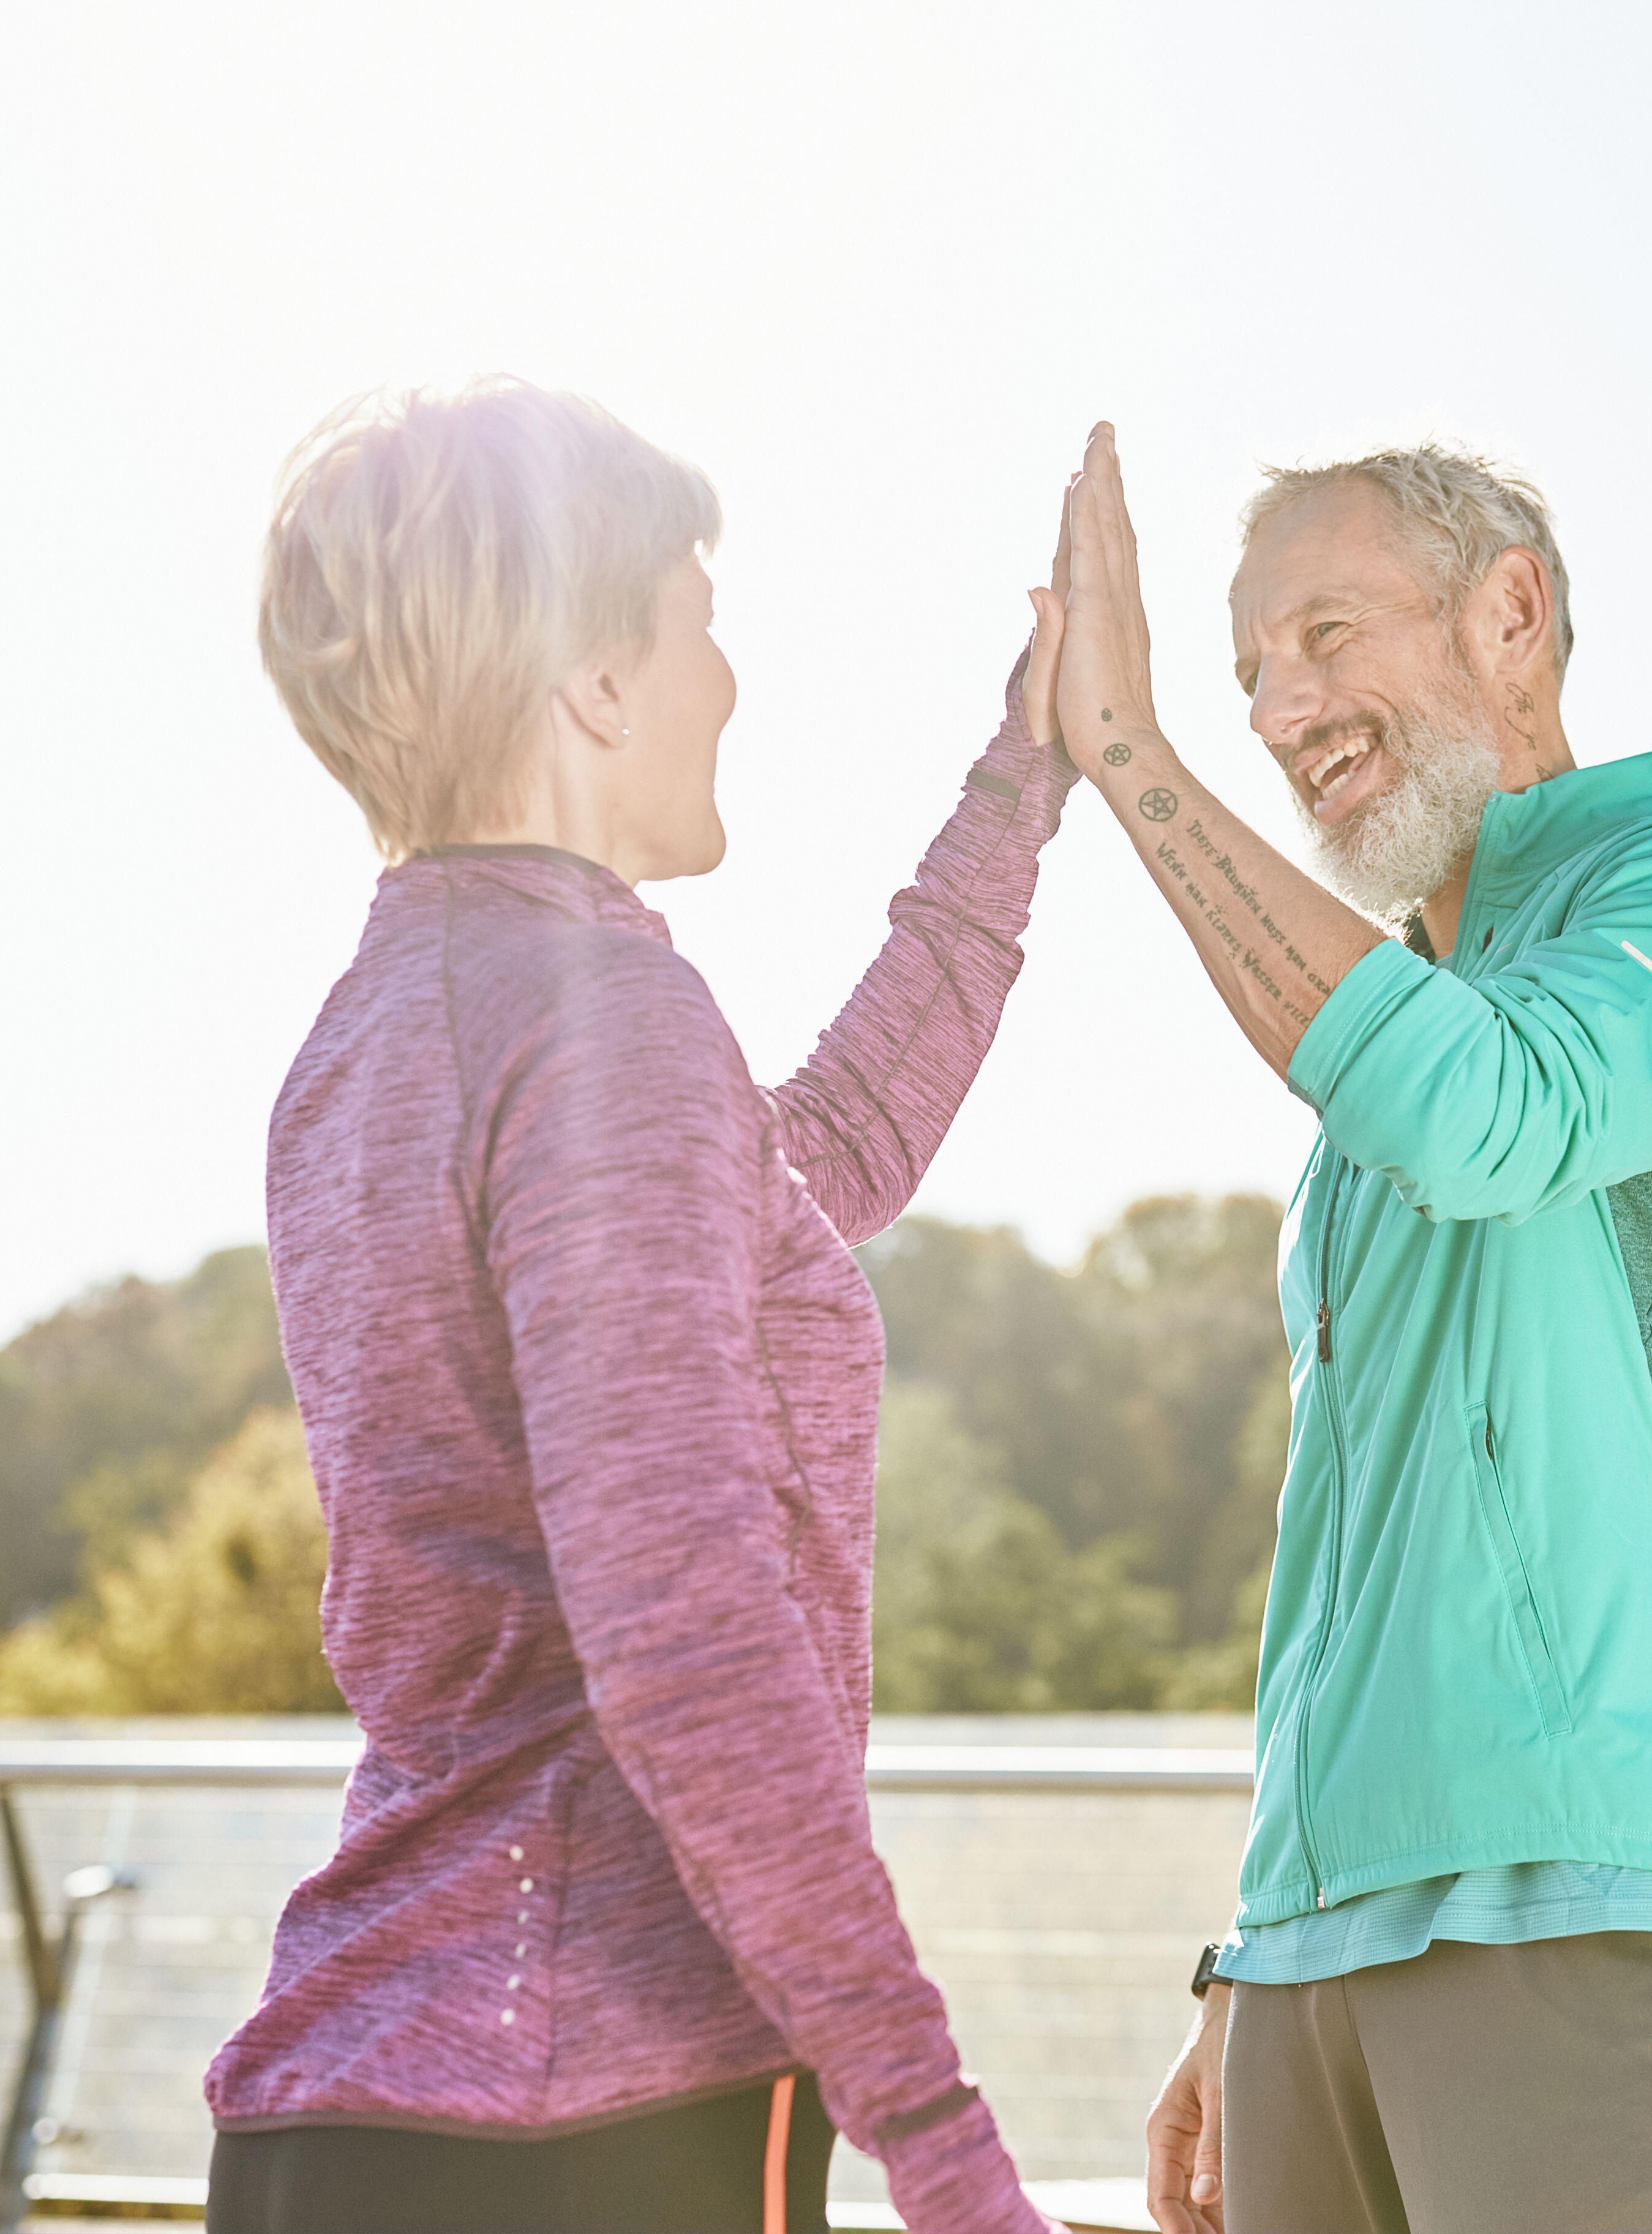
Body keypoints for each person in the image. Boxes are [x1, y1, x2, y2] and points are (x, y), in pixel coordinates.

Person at [205, 380, 1072, 2234]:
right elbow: (685, 1629)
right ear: (596, 684)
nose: (731, 680)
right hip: (599, 2122)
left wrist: (1025, 785)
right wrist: (940, 2139)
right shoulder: (601, 1020)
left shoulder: (368, 1043)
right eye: (698, 622)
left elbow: (813, 1167)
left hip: (341, 2124)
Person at [1034, 427, 1652, 2234]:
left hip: (1593, 1895)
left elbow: (1491, 1116)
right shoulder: (1397, 1029)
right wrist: (1258, 1944)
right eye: (1249, 667)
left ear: (1514, 612)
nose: (1278, 702)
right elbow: (1350, 1547)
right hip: (1327, 1934)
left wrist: (1129, 752)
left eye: (1328, 633)